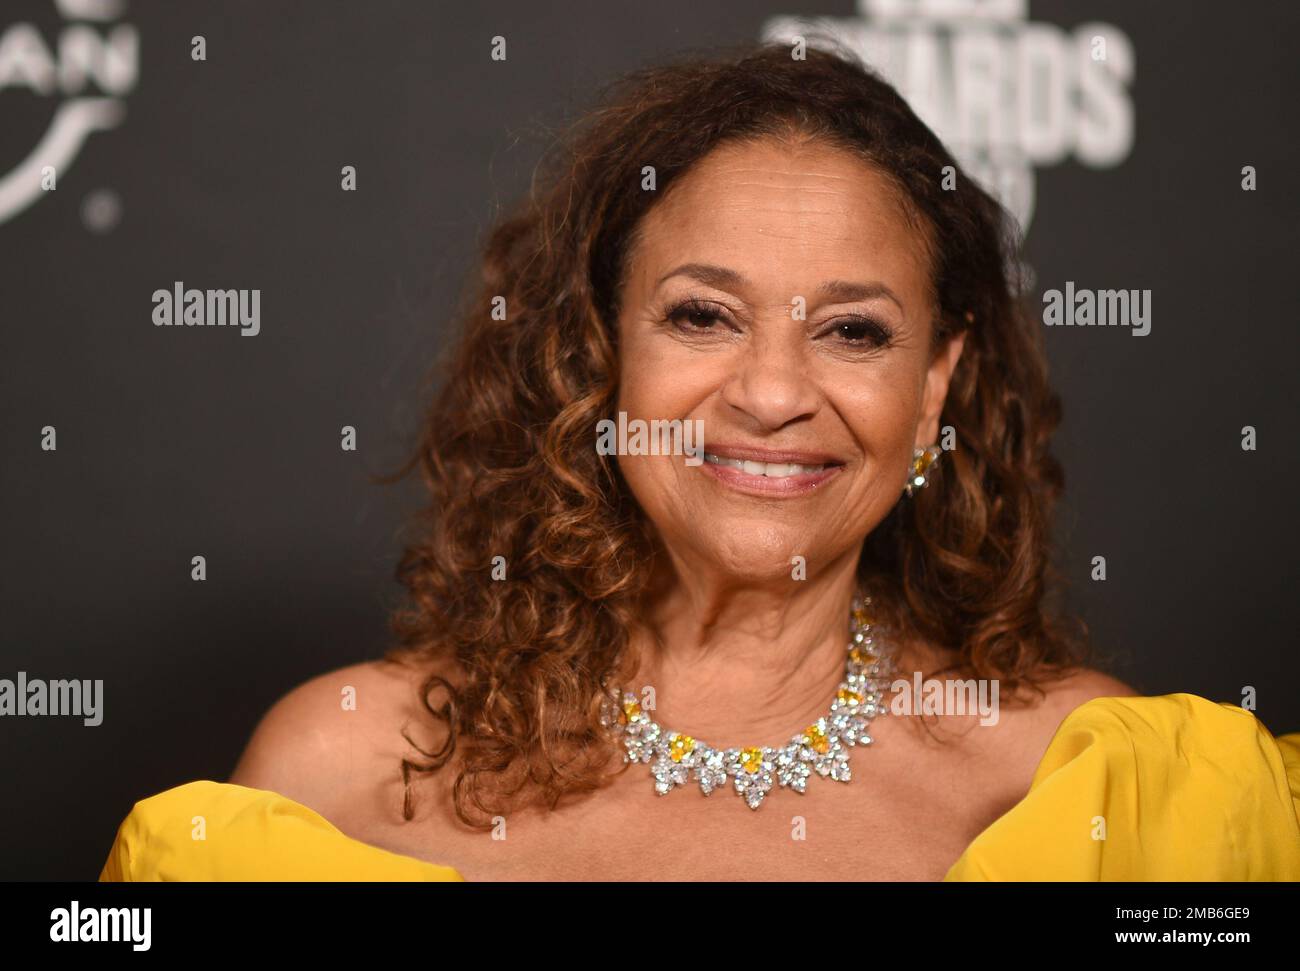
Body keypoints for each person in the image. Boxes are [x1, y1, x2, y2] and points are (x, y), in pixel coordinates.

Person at [100, 42, 1300, 882]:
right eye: (701, 315)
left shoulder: (1105, 797)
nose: (774, 393)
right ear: (595, 352)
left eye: (853, 330)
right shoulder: (330, 769)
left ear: (932, 388)